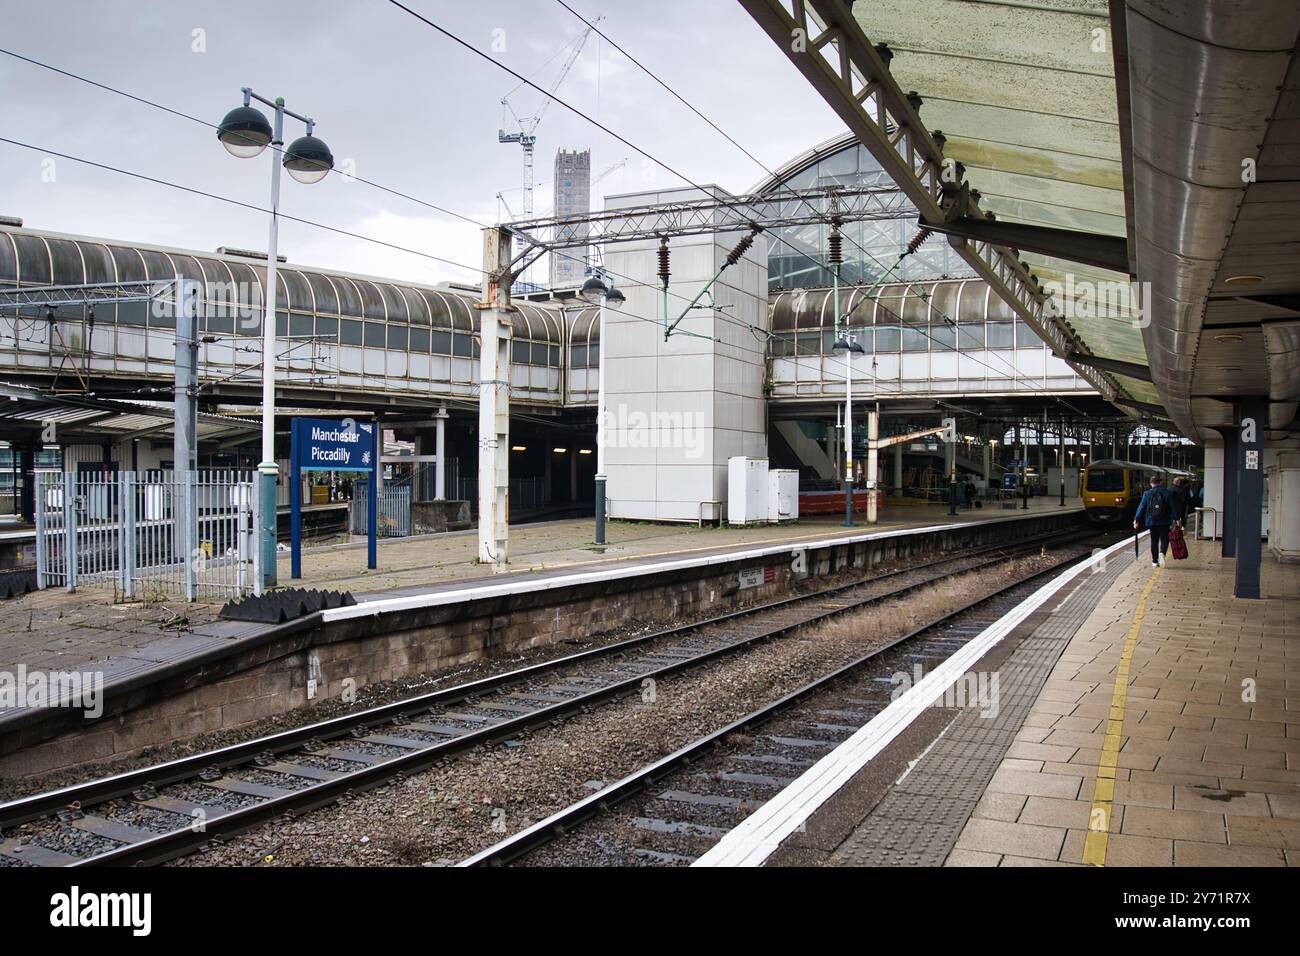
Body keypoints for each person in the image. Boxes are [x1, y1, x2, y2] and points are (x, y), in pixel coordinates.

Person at [1133, 474, 1173, 567]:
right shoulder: (1167, 492)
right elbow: (1172, 507)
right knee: (1165, 538)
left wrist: (1136, 519)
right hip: (1164, 521)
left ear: (1151, 483)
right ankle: (1162, 552)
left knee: (1154, 541)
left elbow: (1141, 507)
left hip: (1152, 521)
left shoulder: (1147, 493)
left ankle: (1154, 561)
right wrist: (1176, 518)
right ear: (1160, 482)